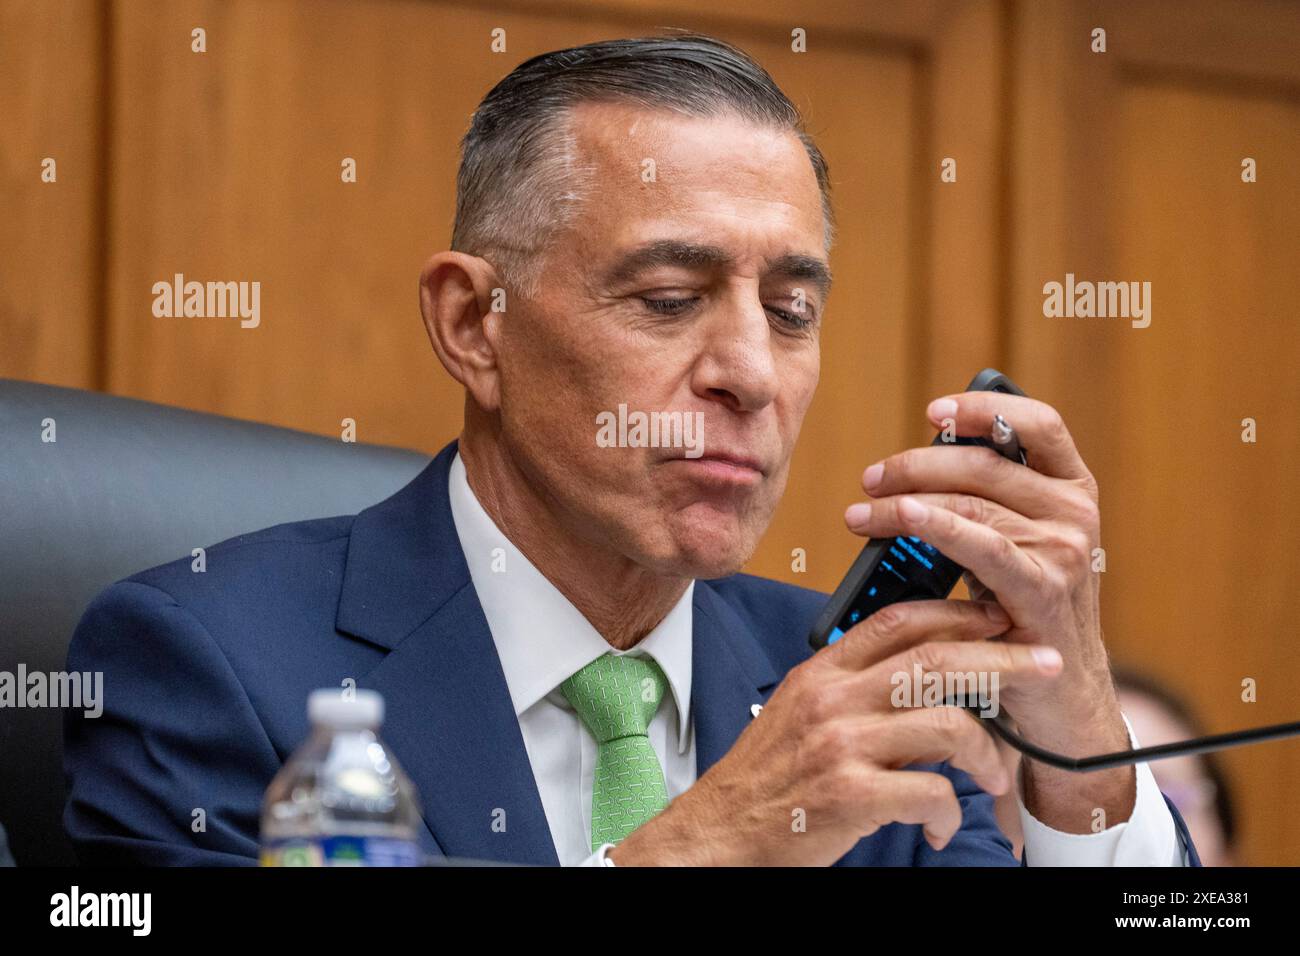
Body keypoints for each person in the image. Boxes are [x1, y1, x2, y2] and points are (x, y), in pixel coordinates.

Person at [64, 34, 1197, 867]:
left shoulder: (843, 693)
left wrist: (1079, 726)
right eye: (667, 297)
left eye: (791, 311)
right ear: (474, 325)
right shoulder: (206, 661)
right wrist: (696, 849)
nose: (750, 372)